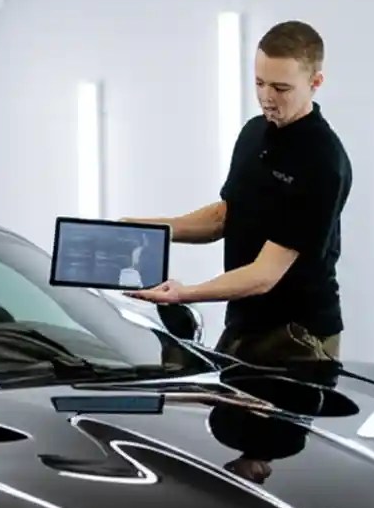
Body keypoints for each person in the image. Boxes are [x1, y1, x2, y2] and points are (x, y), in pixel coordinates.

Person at [123, 20, 352, 364]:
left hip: (298, 336)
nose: (266, 97)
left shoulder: (321, 160)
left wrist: (186, 294)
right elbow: (226, 215)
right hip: (245, 323)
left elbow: (264, 275)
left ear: (315, 82)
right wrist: (151, 231)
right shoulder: (253, 132)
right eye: (259, 83)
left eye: (281, 88)